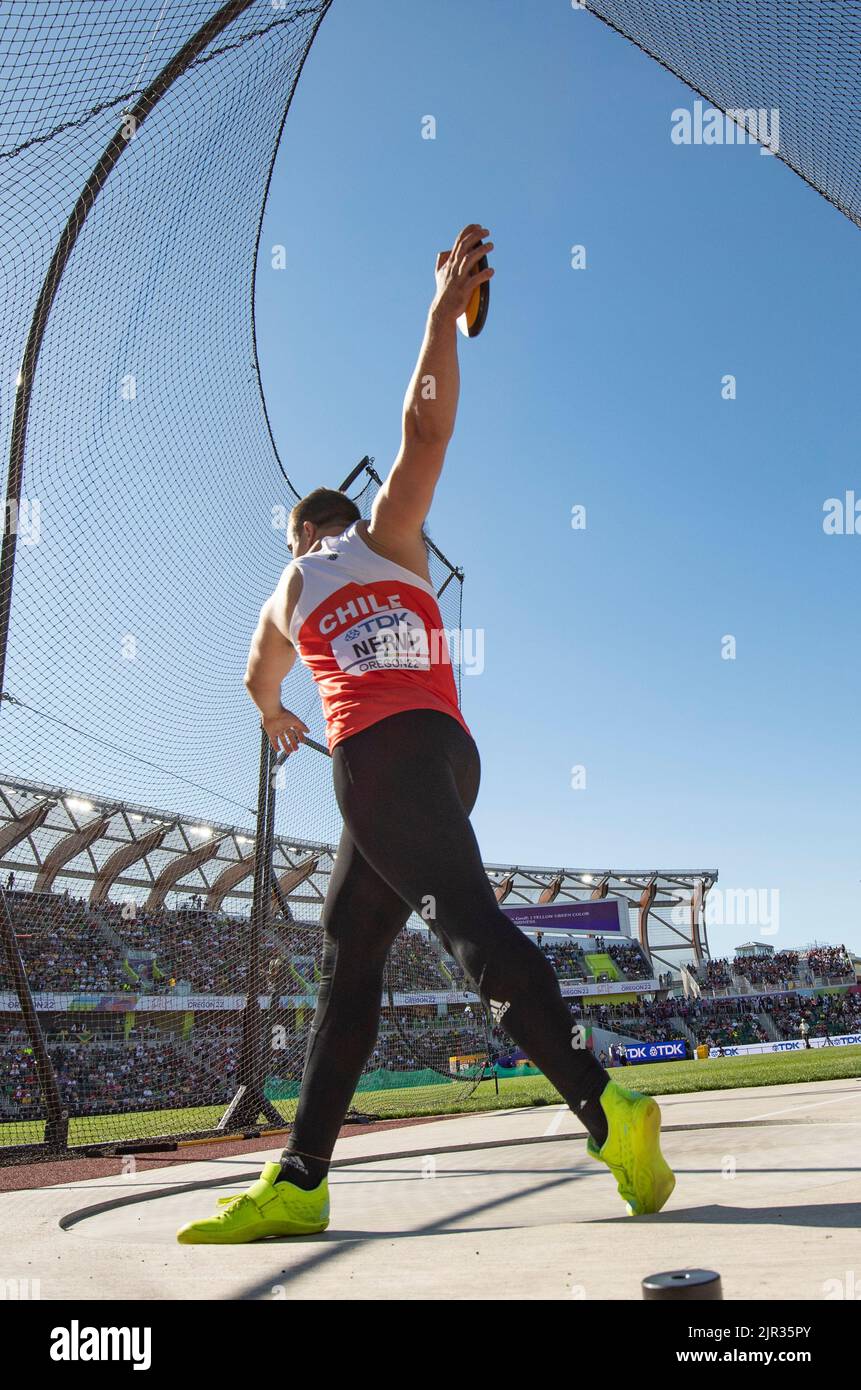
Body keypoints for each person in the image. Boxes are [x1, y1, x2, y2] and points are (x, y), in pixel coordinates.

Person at [177, 224, 674, 1245]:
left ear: (300, 531)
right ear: (345, 518)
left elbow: (254, 674)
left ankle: (606, 1106)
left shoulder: (298, 573)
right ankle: (304, 1176)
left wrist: (274, 715)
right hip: (447, 752)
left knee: (467, 929)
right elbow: (426, 437)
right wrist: (444, 314)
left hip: (380, 755)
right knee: (350, 951)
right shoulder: (393, 541)